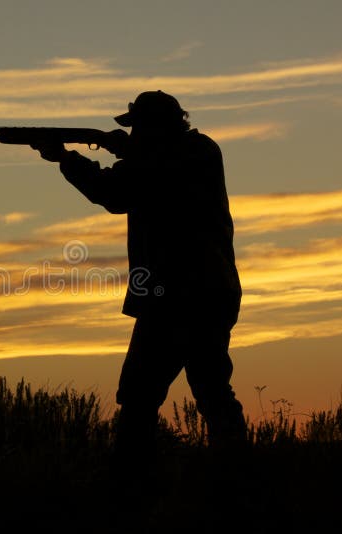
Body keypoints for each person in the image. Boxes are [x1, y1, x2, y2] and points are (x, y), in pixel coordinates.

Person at [26, 91, 247, 460]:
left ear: (155, 127)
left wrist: (64, 157)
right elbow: (134, 180)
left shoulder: (191, 153)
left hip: (179, 296)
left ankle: (134, 483)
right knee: (208, 389)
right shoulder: (185, 154)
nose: (136, 134)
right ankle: (234, 473)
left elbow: (114, 192)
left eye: (139, 127)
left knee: (141, 395)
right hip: (205, 291)